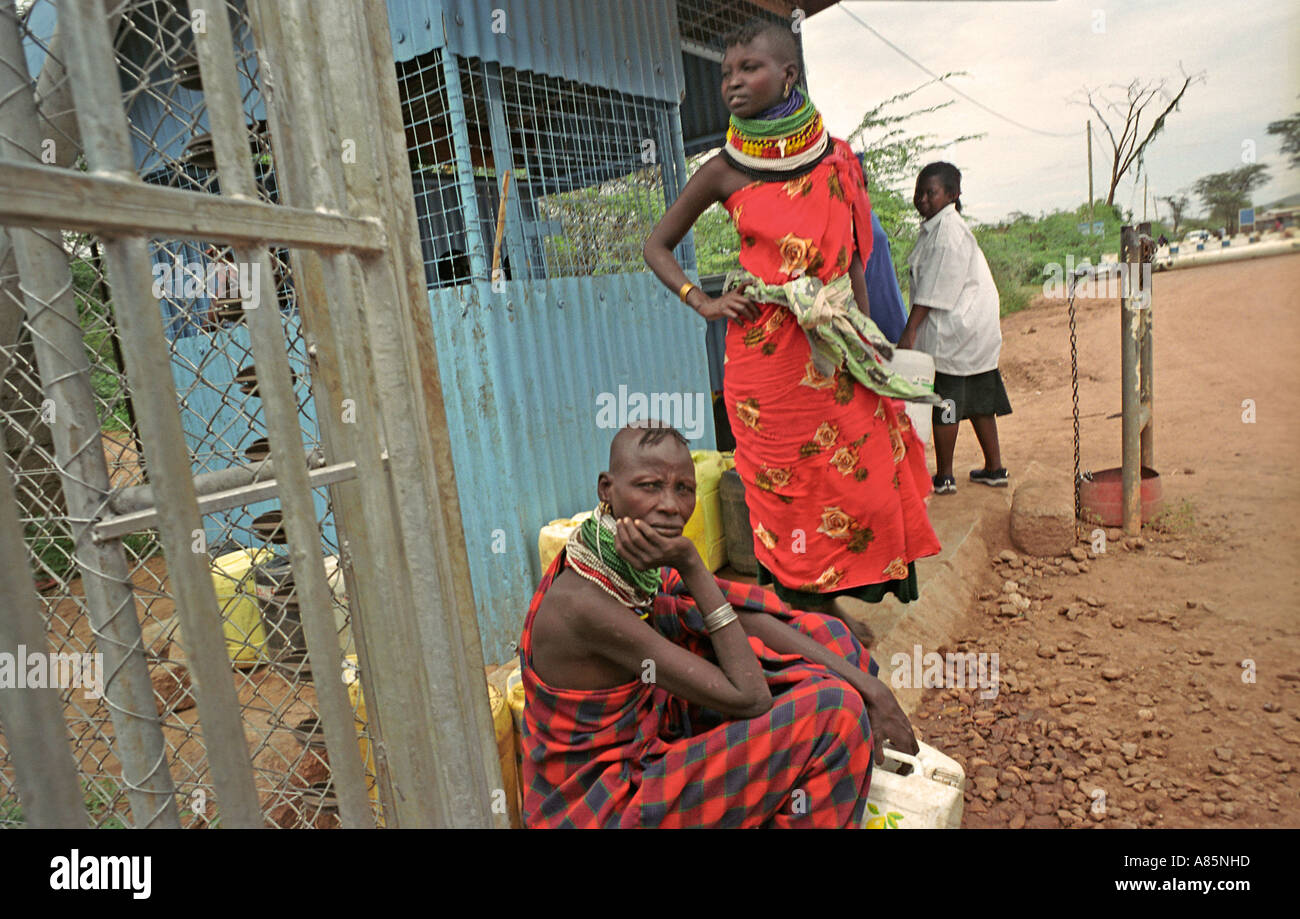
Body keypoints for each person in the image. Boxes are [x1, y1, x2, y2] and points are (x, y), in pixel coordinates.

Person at [642, 20, 941, 638]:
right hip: (764, 358)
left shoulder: (837, 160)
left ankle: (841, 596)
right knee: (783, 489)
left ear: (788, 76)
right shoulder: (725, 168)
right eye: (726, 73)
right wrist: (702, 300)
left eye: (748, 68)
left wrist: (870, 338)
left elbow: (856, 256)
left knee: (862, 469)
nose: (732, 83)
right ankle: (812, 611)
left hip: (834, 344)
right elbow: (658, 246)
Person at [518, 423, 919, 828]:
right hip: (609, 803)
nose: (670, 506)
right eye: (649, 486)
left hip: (650, 735)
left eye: (683, 489)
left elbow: (741, 615)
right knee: (836, 712)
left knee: (829, 639)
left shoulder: (626, 560)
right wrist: (691, 563)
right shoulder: (584, 604)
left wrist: (869, 683)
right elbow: (750, 697)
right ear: (607, 489)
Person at [898, 162, 1011, 494]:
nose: (922, 199)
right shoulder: (939, 228)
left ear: (952, 195)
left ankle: (945, 476)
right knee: (980, 397)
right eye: (919, 192)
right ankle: (995, 468)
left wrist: (909, 332)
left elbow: (934, 290)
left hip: (956, 331)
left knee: (947, 401)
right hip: (972, 330)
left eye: (931, 192)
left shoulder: (947, 232)